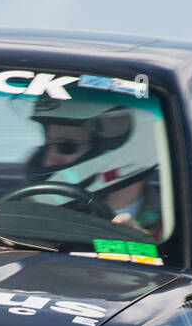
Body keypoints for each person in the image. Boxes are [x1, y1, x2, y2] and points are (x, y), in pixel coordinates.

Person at [22, 96, 163, 236]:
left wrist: (145, 247)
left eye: (66, 146)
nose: (48, 161)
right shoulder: (32, 212)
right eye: (48, 143)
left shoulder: (173, 223)